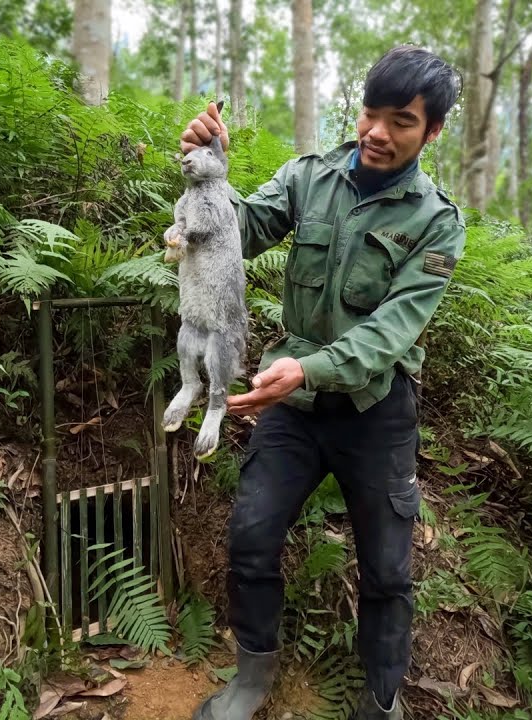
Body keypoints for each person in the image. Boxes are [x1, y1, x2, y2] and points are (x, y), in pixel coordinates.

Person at [178, 45, 465, 720]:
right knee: (251, 534)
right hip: (295, 404)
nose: (377, 132)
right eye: (371, 112)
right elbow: (237, 234)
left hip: (375, 409)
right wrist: (208, 175)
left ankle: (381, 701)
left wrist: (308, 368)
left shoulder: (436, 221)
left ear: (432, 131)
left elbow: (394, 331)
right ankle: (252, 679)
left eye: (401, 121)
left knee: (387, 570)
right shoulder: (309, 177)